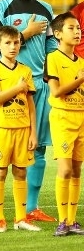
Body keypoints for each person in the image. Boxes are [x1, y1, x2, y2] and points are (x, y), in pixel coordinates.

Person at [0, 0, 56, 223]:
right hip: (10, 88)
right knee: (2, 152)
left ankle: (31, 208)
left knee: (38, 148)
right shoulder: (1, 6)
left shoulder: (46, 8)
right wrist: (27, 32)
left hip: (39, 87)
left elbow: (51, 50)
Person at [0, 25, 41, 233]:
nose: (13, 46)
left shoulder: (25, 71)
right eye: (8, 43)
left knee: (20, 172)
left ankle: (21, 218)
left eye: (16, 42)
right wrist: (17, 88)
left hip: (23, 130)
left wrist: (33, 132)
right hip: (2, 129)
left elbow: (30, 105)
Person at [45, 12, 84, 236]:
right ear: (58, 34)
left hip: (81, 118)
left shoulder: (82, 62)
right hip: (63, 118)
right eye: (71, 28)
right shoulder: (53, 58)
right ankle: (62, 221)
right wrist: (80, 79)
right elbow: (56, 91)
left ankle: (72, 220)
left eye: (78, 28)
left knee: (77, 169)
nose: (77, 32)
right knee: (66, 169)